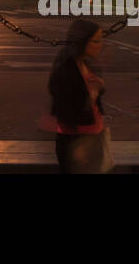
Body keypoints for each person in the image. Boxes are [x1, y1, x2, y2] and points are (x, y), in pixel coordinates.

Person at [47, 19, 108, 173]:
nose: (101, 44)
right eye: (96, 41)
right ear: (83, 42)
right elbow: (67, 109)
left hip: (92, 137)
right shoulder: (66, 70)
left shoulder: (86, 63)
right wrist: (93, 93)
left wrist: (99, 88)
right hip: (77, 141)